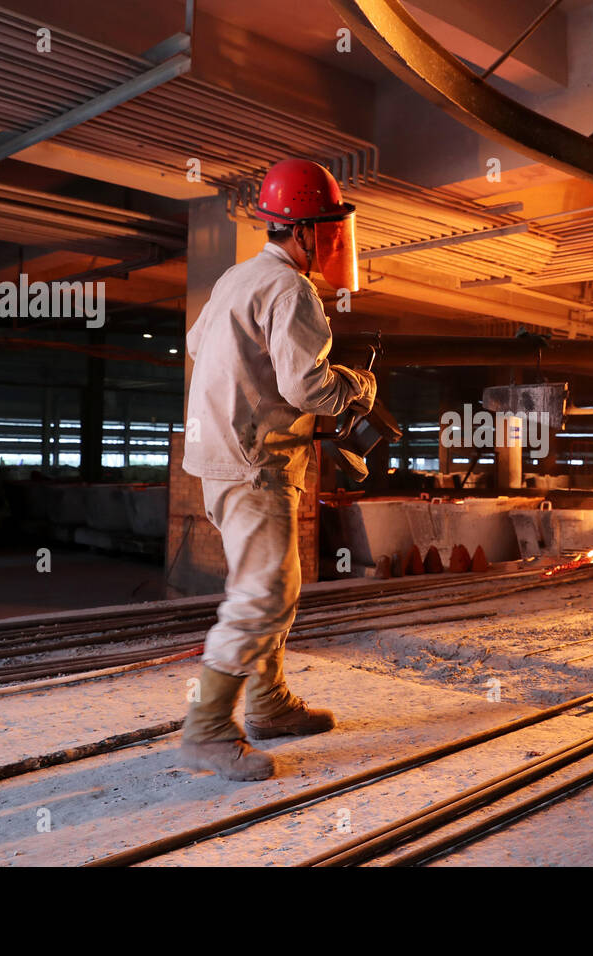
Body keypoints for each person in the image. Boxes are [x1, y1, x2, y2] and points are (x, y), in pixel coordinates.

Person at [179, 158, 375, 781]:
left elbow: (194, 345)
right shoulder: (291, 289)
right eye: (330, 229)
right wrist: (355, 387)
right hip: (253, 462)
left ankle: (268, 703)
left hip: (219, 459)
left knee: (269, 583)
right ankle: (207, 728)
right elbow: (307, 387)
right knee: (264, 591)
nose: (335, 243)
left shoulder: (236, 279)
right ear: (304, 231)